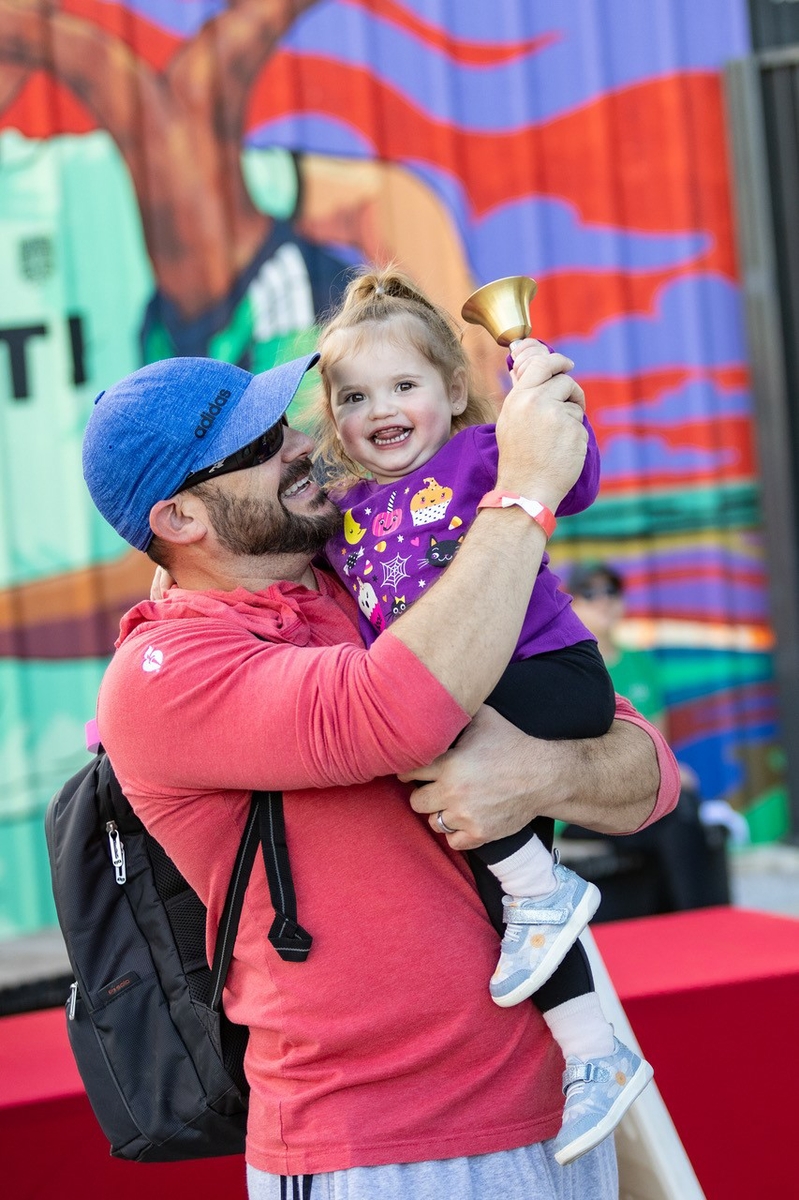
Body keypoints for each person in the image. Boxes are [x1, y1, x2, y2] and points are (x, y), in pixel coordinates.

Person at [81, 350, 679, 1200]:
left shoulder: (368, 580)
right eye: (257, 447)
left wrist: (540, 773)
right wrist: (521, 495)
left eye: (283, 422)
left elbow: (647, 770)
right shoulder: (167, 673)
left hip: (560, 1111)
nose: (298, 444)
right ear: (179, 517)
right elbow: (392, 711)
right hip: (375, 1149)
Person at [311, 269, 651, 1164]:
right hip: (477, 714)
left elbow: (568, 486)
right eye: (353, 396)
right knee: (514, 920)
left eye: (403, 386)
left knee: (423, 729)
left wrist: (541, 401)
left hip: (550, 676)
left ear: (452, 392)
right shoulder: (342, 512)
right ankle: (595, 1056)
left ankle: (544, 893)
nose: (379, 408)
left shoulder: (473, 454)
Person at [566, 561, 734, 914]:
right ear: (572, 603)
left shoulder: (641, 663)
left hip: (640, 794)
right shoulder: (569, 667)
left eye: (611, 591)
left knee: (680, 807)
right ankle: (706, 921)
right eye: (590, 593)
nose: (604, 601)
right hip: (586, 806)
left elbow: (658, 745)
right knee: (678, 816)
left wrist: (671, 774)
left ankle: (698, 920)